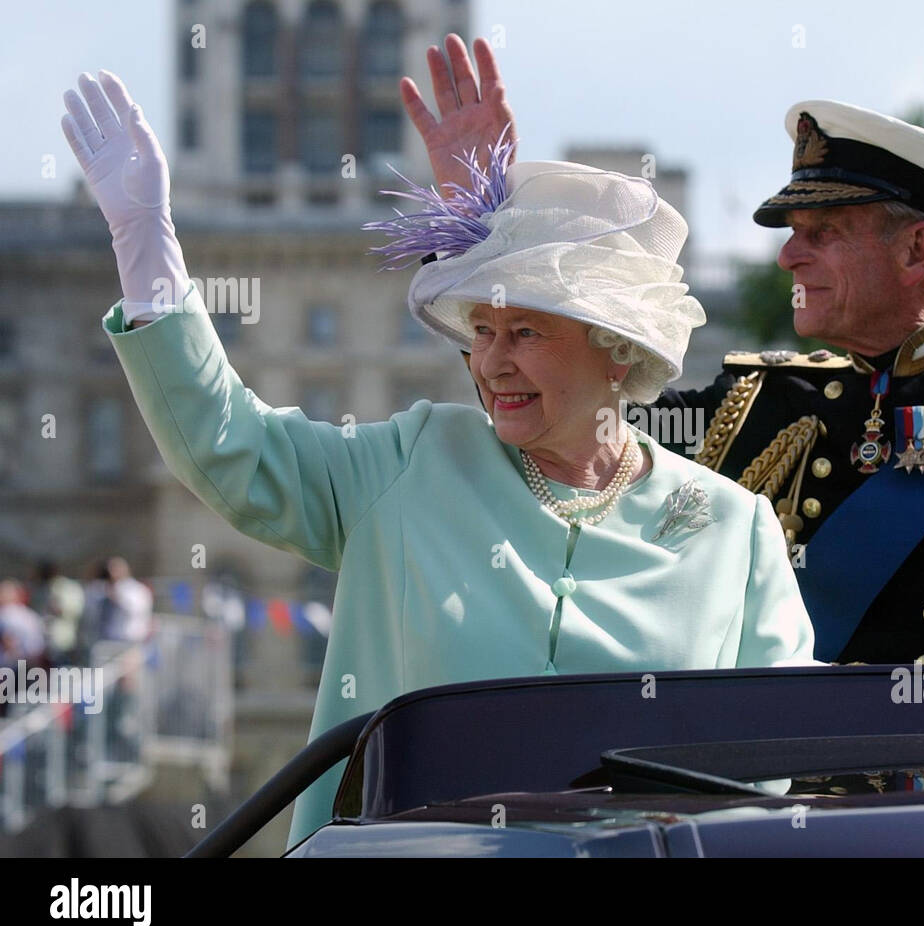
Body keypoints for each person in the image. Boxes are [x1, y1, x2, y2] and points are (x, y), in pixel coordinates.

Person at [62, 70, 815, 850]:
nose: (492, 363)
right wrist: (145, 242)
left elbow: (772, 784)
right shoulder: (410, 462)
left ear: (617, 353)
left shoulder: (734, 531)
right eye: (482, 332)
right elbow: (230, 444)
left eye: (526, 333)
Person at [407, 35, 924, 667]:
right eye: (792, 234)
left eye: (822, 234)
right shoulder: (753, 405)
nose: (788, 258)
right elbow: (551, 412)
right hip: (769, 814)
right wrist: (475, 231)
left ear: (916, 253)